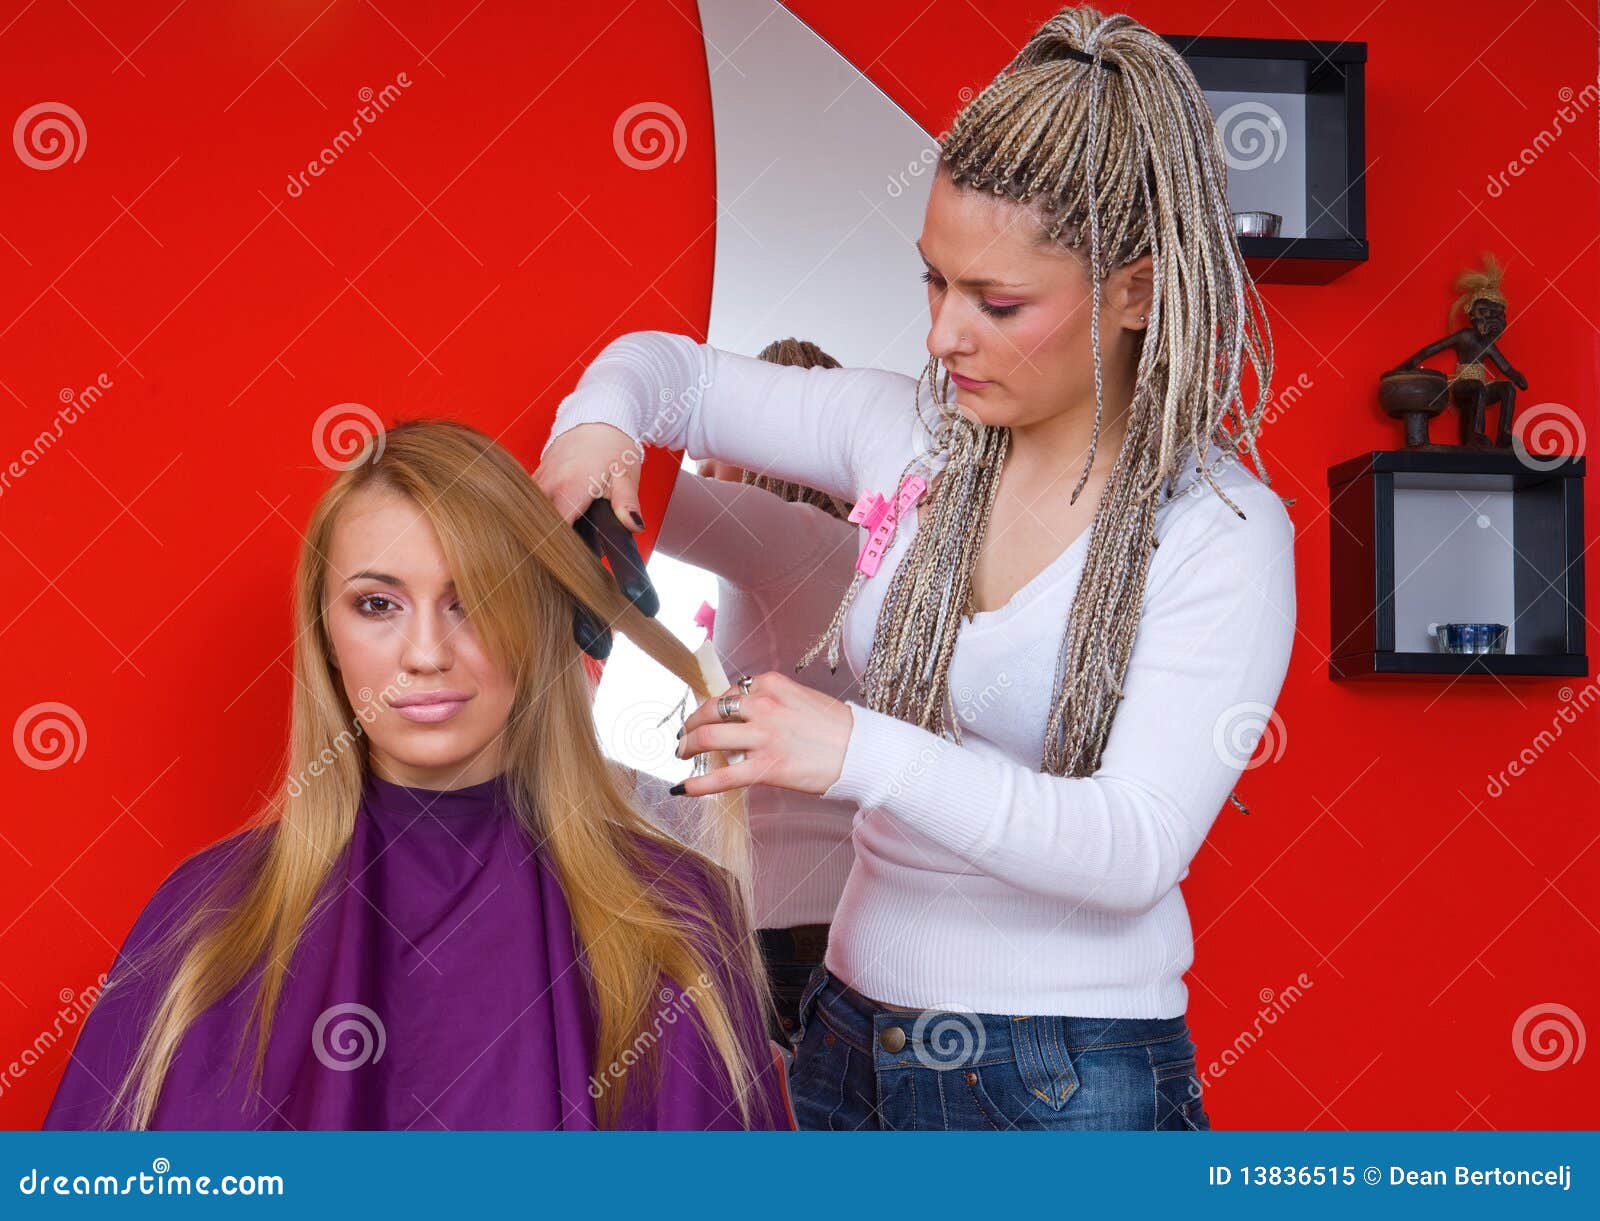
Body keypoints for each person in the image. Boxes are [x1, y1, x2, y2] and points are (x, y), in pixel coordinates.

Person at [535, 5, 1296, 1131]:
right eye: (932, 282)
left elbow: (1132, 845)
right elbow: (668, 373)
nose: (941, 335)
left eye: (996, 303)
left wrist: (853, 749)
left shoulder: (1219, 530)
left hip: (1063, 1080)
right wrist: (597, 426)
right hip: (848, 1030)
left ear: (1133, 293)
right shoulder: (906, 437)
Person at [44, 419, 790, 1131]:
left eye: (475, 599)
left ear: (535, 620)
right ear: (327, 637)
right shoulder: (205, 921)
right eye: (378, 604)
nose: (426, 653)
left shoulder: (677, 919)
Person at [647, 338, 862, 1046]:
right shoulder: (873, 562)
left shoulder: (785, 542)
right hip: (855, 925)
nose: (699, 454)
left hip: (786, 936)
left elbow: (620, 489)